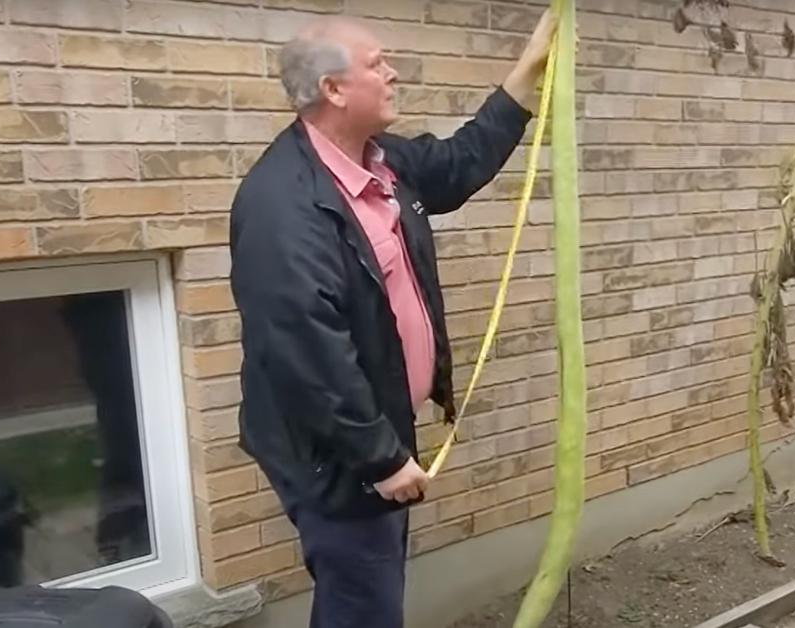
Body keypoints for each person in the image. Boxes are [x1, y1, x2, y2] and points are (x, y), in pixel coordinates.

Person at [228, 10, 557, 628]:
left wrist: (527, 72)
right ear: (333, 89)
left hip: (370, 429)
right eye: (377, 63)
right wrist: (380, 458)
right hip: (336, 452)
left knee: (364, 593)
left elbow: (458, 163)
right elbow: (305, 352)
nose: (393, 72)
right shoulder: (283, 207)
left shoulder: (379, 162)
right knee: (364, 603)